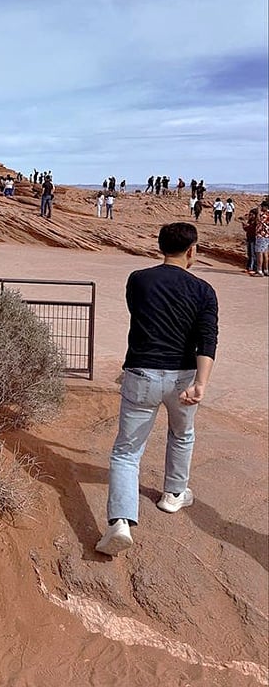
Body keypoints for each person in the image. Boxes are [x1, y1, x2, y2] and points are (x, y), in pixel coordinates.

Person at [96, 222, 218, 556]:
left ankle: (120, 522)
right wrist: (201, 384)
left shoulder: (139, 280)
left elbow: (138, 313)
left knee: (126, 451)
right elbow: (207, 339)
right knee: (182, 434)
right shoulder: (204, 291)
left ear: (161, 246)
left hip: (141, 373)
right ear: (192, 251)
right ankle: (174, 494)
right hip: (183, 377)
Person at [255, 200, 269, 277]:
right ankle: (266, 270)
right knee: (265, 253)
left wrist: (258, 212)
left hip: (261, 235)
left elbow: (258, 221)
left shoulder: (263, 214)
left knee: (259, 253)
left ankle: (259, 271)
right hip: (267, 236)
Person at [242, 208, 258, 274]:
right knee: (249, 253)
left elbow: (254, 230)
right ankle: (248, 267)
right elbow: (247, 229)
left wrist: (248, 227)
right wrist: (244, 226)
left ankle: (253, 268)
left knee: (253, 254)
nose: (250, 216)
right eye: (250, 215)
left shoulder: (256, 222)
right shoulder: (250, 221)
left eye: (252, 215)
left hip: (254, 239)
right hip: (249, 238)